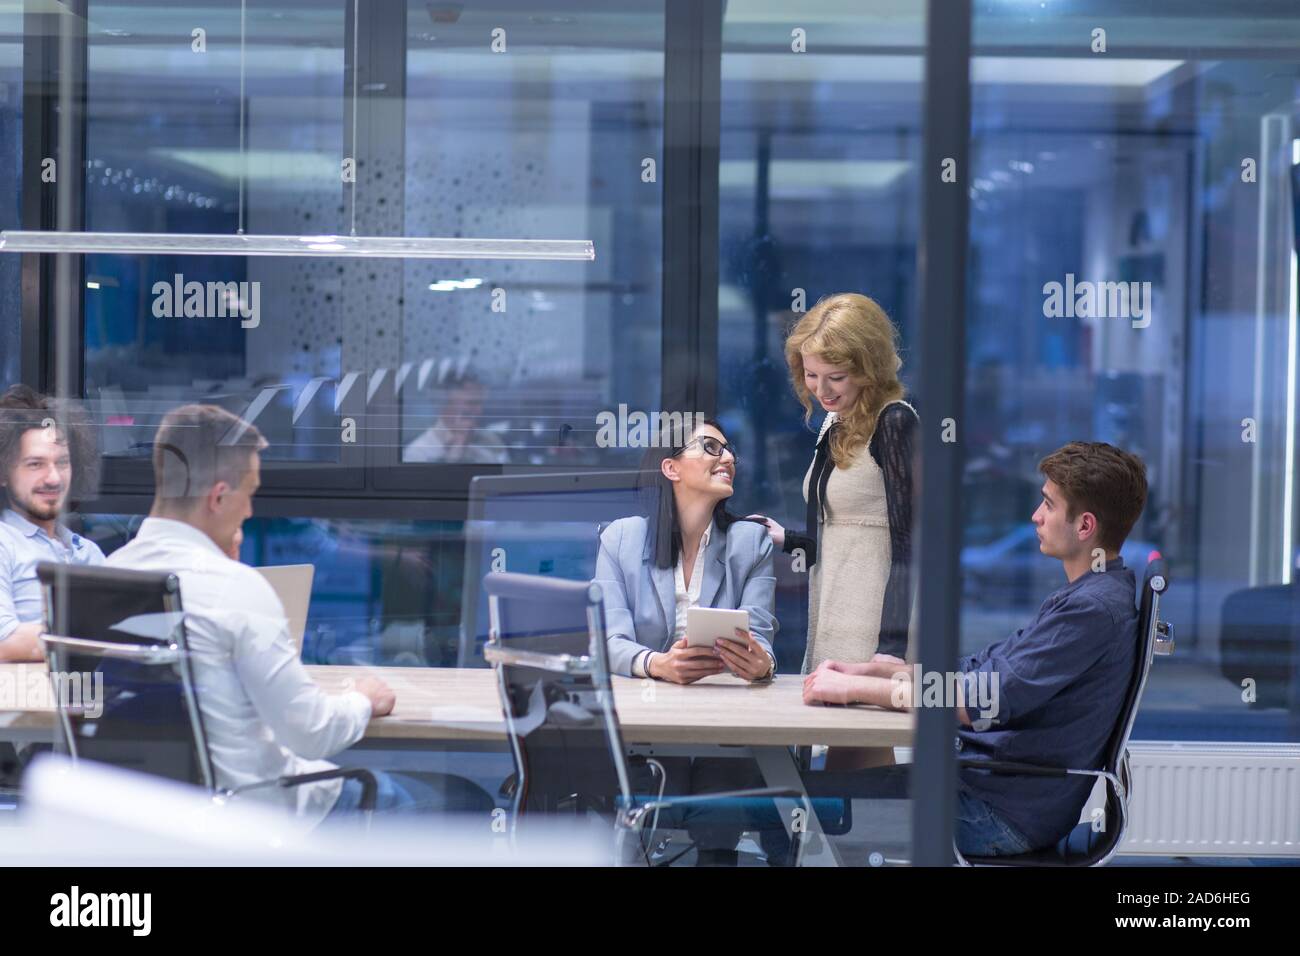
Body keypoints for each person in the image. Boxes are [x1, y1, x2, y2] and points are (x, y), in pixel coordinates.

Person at [106, 403, 493, 826]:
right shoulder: (236, 587)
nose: (250, 513)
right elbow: (309, 733)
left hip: (145, 818)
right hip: (255, 817)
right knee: (466, 798)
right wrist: (362, 700)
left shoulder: (100, 581)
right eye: (249, 494)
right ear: (218, 497)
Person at [803, 441, 1148, 856]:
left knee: (799, 805)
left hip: (995, 812)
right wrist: (872, 673)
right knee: (807, 798)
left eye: (1049, 506)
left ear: (1085, 526)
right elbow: (980, 671)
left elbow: (977, 701)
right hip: (982, 786)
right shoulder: (1090, 595)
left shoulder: (1091, 610)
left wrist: (855, 691)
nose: (1036, 516)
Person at [595, 418, 787, 864]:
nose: (729, 458)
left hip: (726, 722)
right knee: (653, 792)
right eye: (710, 447)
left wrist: (763, 665)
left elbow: (762, 638)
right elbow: (606, 639)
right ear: (671, 467)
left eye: (730, 450)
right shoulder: (621, 539)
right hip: (647, 721)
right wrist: (656, 664)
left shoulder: (750, 542)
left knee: (720, 798)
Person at [749, 292, 918, 769]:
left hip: (875, 609)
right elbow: (845, 525)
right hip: (837, 597)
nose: (821, 389)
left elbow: (908, 543)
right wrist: (788, 539)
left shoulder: (894, 423)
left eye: (836, 377)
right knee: (847, 749)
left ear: (870, 368)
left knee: (856, 746)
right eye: (811, 374)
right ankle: (845, 846)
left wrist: (889, 646)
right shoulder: (836, 421)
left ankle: (860, 846)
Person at [0, 385, 104, 662]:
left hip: (92, 697)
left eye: (63, 463)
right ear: (3, 473)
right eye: (36, 464)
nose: (54, 478)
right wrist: (100, 638)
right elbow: (5, 642)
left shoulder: (88, 552)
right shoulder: (4, 543)